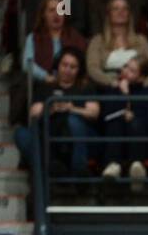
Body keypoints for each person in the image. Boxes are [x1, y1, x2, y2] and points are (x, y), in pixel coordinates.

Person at [13, 47, 100, 182]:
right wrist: (50, 108)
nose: (67, 70)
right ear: (58, 65)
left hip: (76, 139)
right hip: (49, 137)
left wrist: (72, 108)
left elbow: (94, 112)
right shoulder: (46, 87)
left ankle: (77, 169)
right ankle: (47, 168)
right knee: (21, 133)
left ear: (79, 70)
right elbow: (34, 113)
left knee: (74, 121)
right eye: (64, 65)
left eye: (73, 67)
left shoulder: (85, 87)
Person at [98, 54, 148, 193]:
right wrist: (123, 95)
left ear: (142, 77)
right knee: (116, 121)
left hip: (139, 143)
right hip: (115, 141)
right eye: (126, 66)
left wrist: (132, 115)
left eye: (132, 71)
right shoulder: (113, 90)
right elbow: (104, 117)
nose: (125, 71)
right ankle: (113, 166)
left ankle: (136, 168)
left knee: (136, 122)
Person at [88, 0, 148, 88]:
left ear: (129, 14)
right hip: (108, 88)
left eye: (125, 9)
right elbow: (92, 68)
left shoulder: (142, 40)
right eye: (116, 9)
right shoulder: (97, 41)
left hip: (138, 88)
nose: (120, 12)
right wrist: (113, 82)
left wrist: (143, 85)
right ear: (109, 15)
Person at [22, 0, 88, 89]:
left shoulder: (76, 37)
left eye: (60, 10)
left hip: (73, 86)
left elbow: (84, 64)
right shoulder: (33, 37)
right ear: (43, 14)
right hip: (43, 85)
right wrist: (46, 77)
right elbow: (27, 64)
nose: (56, 14)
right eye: (51, 10)